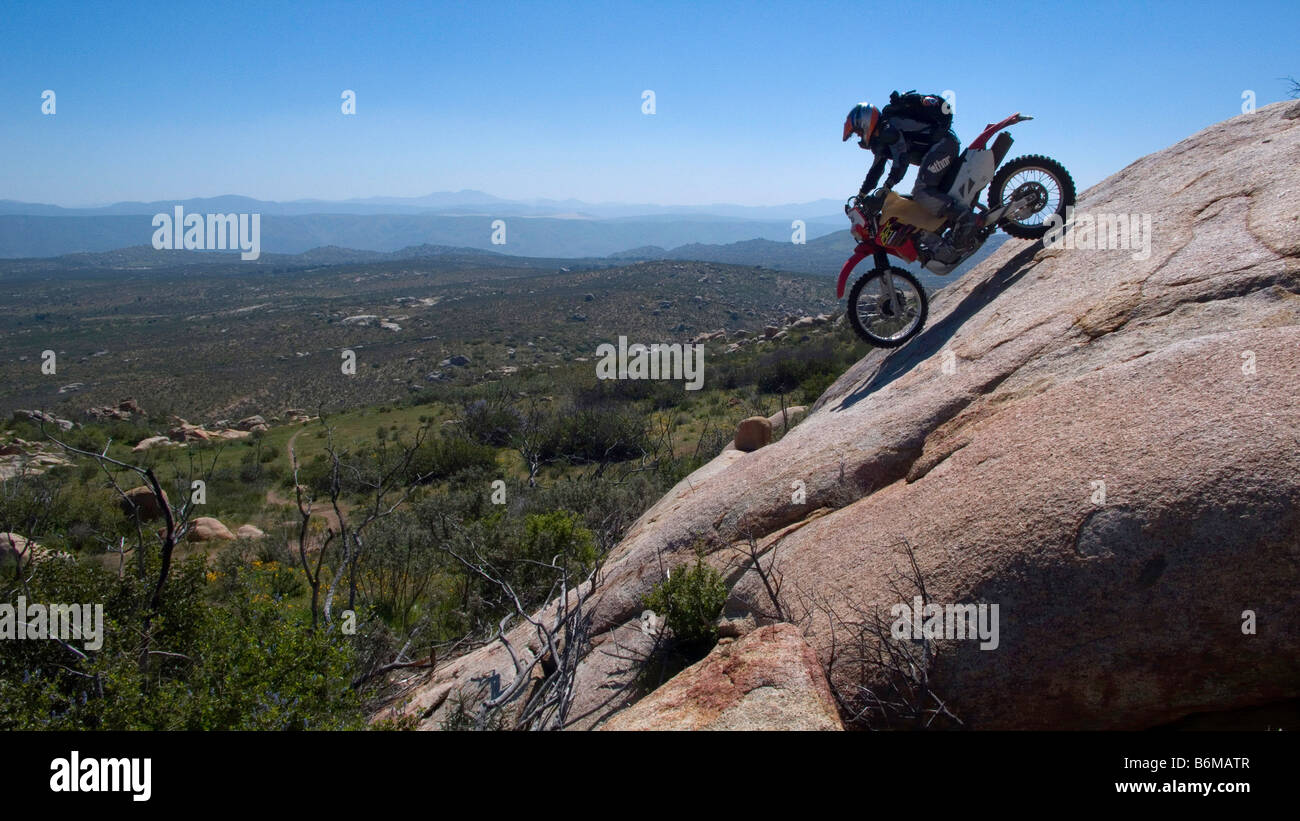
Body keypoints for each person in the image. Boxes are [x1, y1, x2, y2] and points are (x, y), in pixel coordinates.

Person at [842, 92, 977, 248]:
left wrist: (886, 189)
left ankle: (966, 219)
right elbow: (876, 171)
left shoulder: (888, 130)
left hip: (943, 146)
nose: (859, 137)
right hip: (939, 148)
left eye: (859, 132)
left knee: (922, 192)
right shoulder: (881, 138)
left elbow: (901, 161)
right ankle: (949, 227)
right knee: (923, 195)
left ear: (865, 123)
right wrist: (861, 195)